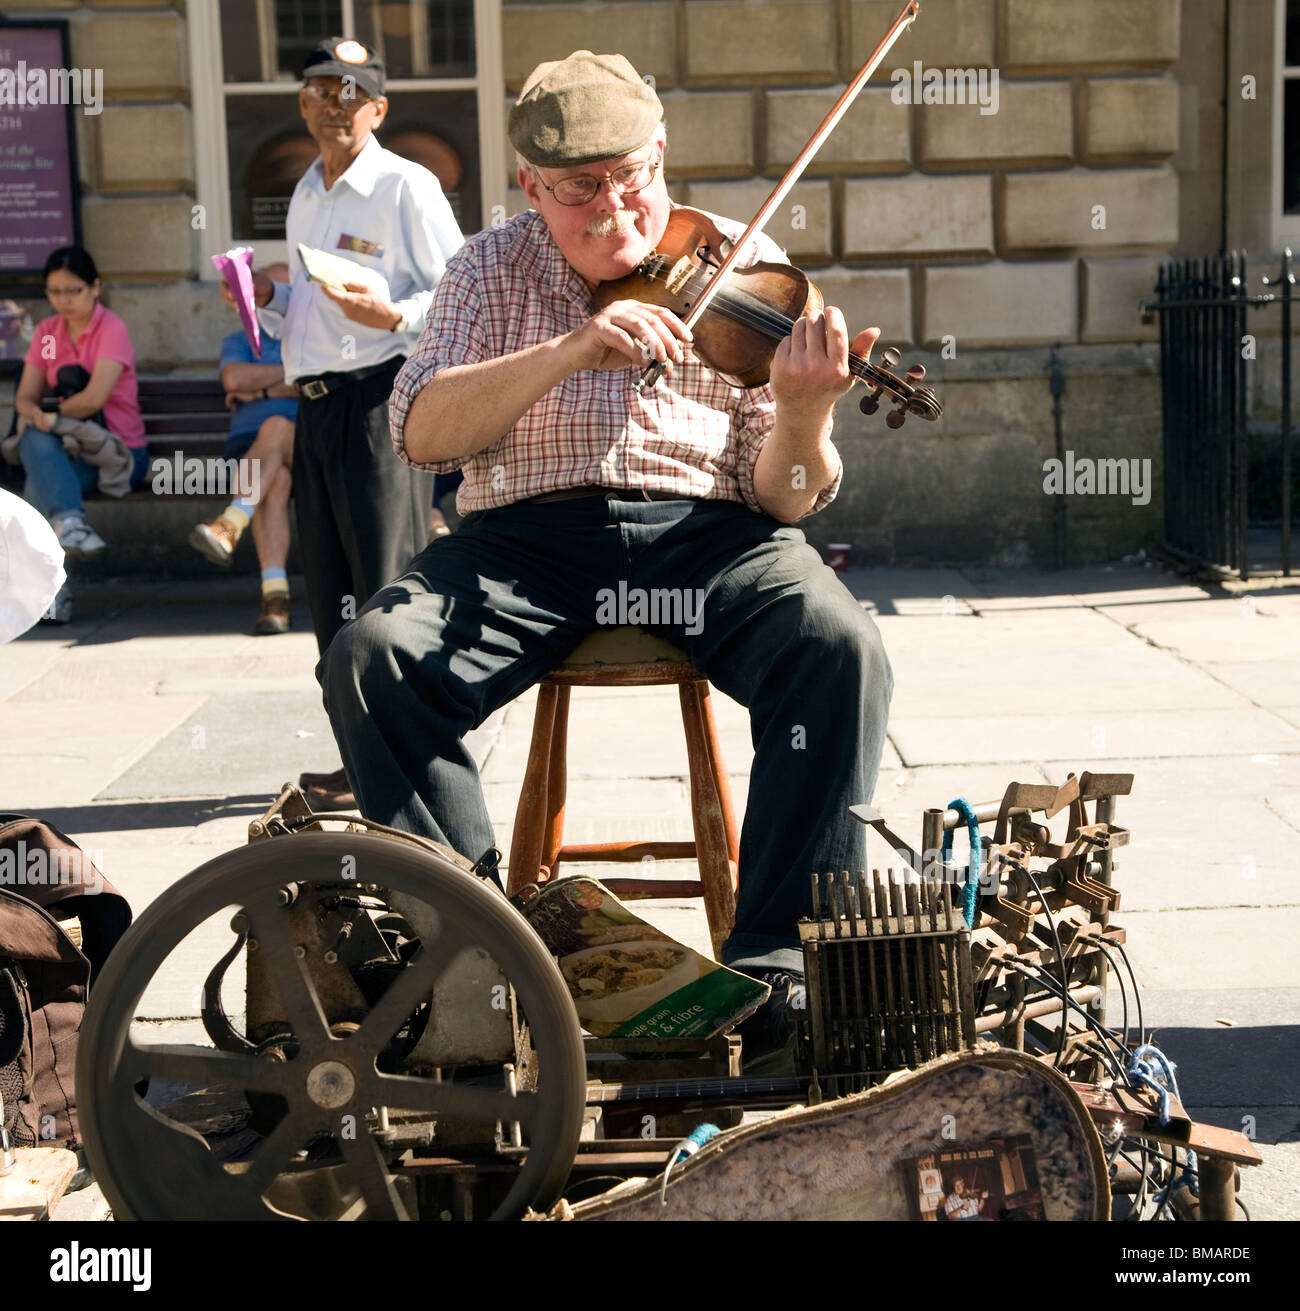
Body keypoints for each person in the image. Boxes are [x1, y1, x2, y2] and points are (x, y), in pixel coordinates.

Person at [318, 50, 894, 1073]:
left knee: (836, 642)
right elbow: (420, 430)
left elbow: (785, 496)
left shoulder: (738, 257)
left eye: (632, 175)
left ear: (660, 153)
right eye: (580, 190)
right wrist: (573, 348)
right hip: (522, 542)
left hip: (708, 533)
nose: (615, 208)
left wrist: (804, 415)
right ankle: (476, 959)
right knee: (374, 653)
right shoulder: (488, 268)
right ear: (532, 188)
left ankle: (778, 966)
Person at [230, 37, 464, 806]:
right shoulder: (307, 192)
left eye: (349, 92)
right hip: (317, 409)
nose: (334, 105)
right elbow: (313, 309)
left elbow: (462, 297)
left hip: (379, 401)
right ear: (302, 104)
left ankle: (415, 762)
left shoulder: (405, 187)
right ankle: (359, 759)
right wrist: (267, 300)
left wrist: (394, 311)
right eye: (320, 91)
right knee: (330, 591)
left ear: (378, 108)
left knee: (387, 590)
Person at [6, 247, 149, 564]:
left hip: (118, 453)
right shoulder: (48, 334)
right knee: (33, 441)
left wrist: (50, 417)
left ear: (95, 287)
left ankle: (52, 595)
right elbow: (25, 397)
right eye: (55, 292)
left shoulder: (111, 328)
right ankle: (70, 526)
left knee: (38, 486)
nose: (64, 300)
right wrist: (35, 415)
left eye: (74, 291)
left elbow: (93, 400)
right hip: (70, 448)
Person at [190, 263, 299, 636]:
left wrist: (262, 391)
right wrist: (285, 380)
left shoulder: (308, 341)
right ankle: (275, 597)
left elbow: (307, 379)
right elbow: (234, 378)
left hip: (305, 446)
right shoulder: (240, 340)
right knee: (277, 481)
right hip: (248, 450)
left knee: (277, 426)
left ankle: (231, 521)